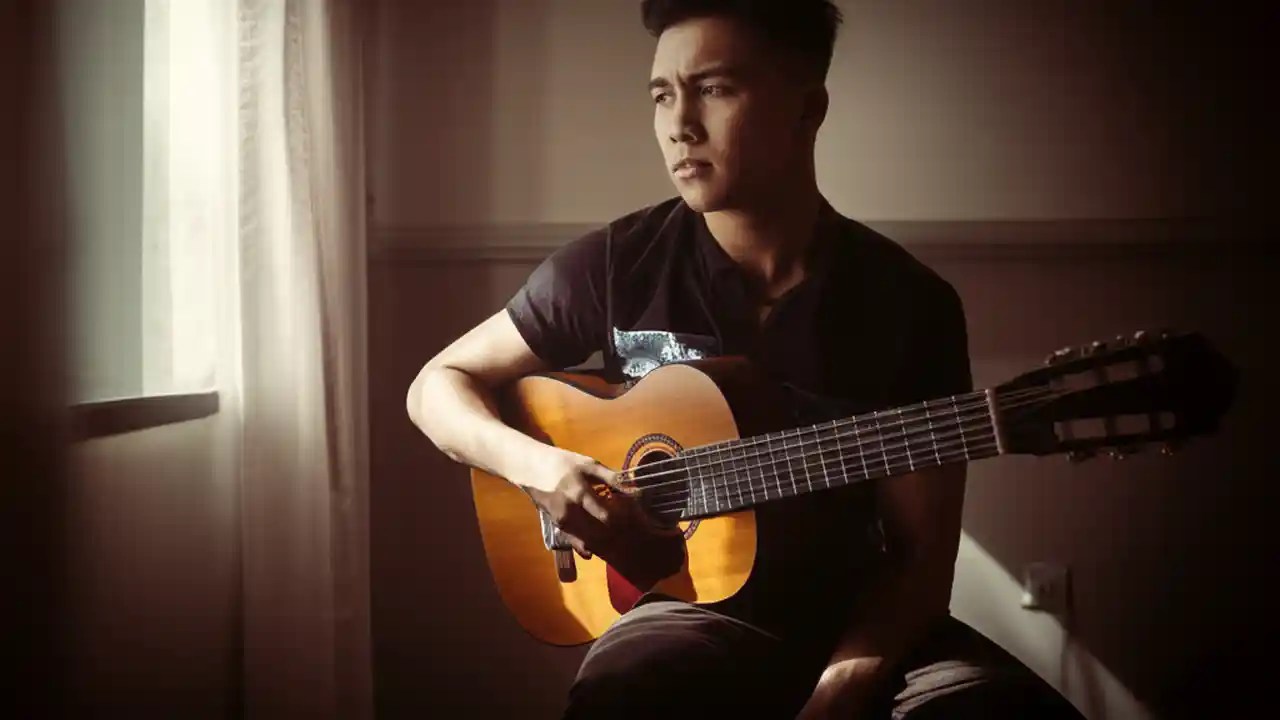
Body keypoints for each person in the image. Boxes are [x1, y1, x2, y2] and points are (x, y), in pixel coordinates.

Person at [406, 1, 1087, 717]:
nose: (680, 124)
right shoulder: (614, 266)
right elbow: (436, 387)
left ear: (808, 108)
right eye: (662, 95)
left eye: (714, 88)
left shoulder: (909, 304)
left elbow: (919, 566)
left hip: (856, 617)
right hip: (684, 608)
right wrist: (540, 468)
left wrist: (836, 696)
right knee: (626, 696)